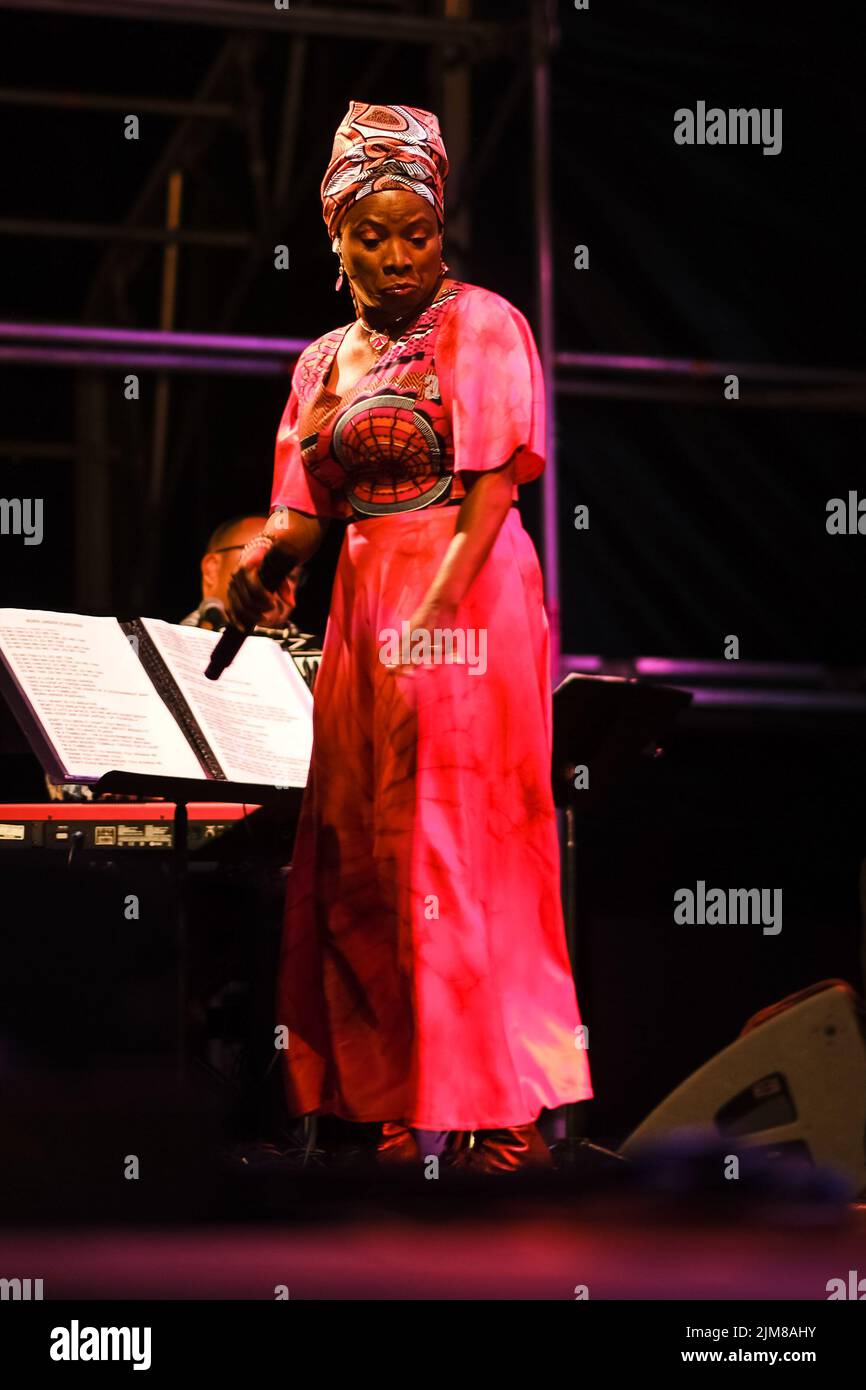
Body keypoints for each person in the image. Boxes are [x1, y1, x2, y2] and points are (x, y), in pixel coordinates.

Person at [227, 101, 593, 1173]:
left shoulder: (480, 322)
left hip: (463, 590)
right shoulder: (317, 364)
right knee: (360, 852)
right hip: (365, 602)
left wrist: (434, 612)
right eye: (371, 235)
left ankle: (498, 1115)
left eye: (417, 233)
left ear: (441, 232)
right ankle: (384, 1107)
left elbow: (487, 492)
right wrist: (264, 568)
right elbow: (301, 512)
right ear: (333, 236)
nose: (396, 257)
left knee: (464, 838)